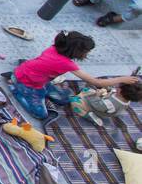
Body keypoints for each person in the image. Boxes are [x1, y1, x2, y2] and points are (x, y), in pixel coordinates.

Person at [8, 31, 138, 120]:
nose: (86, 55)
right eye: (86, 52)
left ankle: (32, 86)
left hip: (38, 79)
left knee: (65, 98)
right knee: (41, 114)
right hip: (27, 82)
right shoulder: (67, 64)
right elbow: (96, 82)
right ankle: (17, 89)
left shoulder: (55, 48)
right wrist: (122, 78)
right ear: (77, 51)